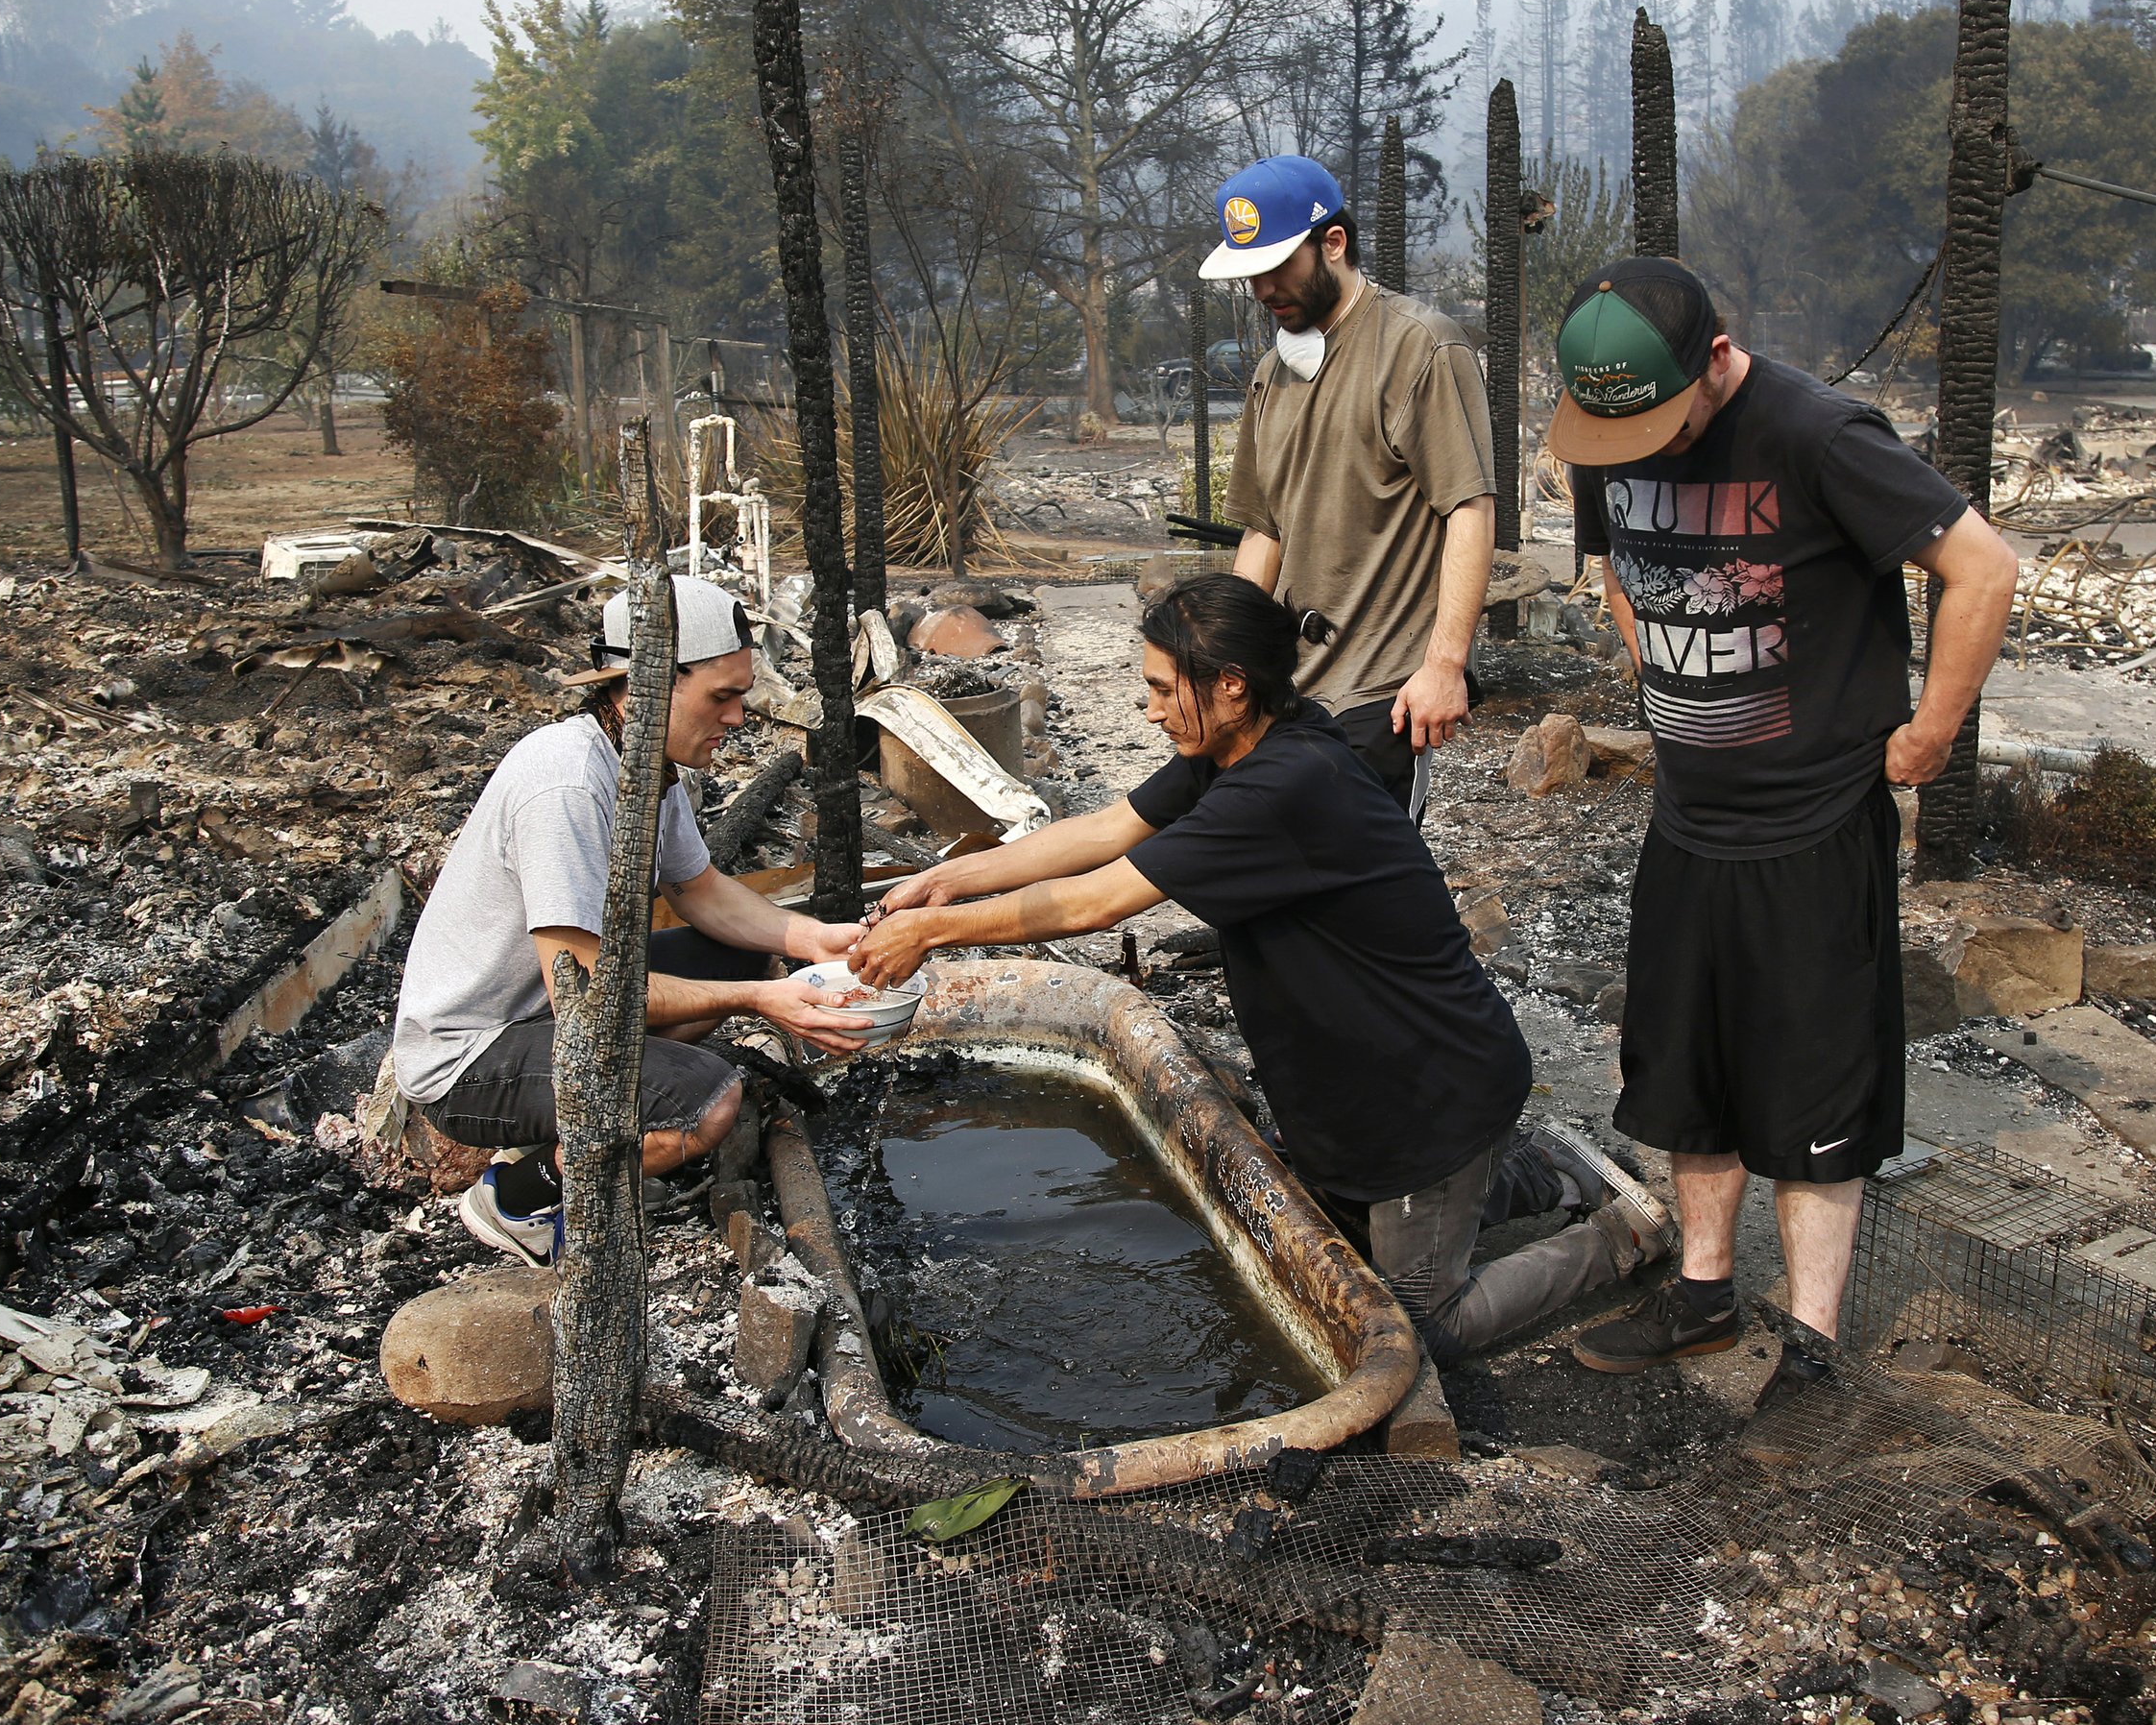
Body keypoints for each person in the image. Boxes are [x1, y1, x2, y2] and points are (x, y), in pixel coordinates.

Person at [847, 573, 1671, 1363]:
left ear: (1233, 684)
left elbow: (1090, 904)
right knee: (1334, 1235)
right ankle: (1546, 1168)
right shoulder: (1243, 745)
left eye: (1166, 688)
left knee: (1422, 1326)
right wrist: (946, 877)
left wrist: (932, 933)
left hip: (1426, 1094)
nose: (1151, 707)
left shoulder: (1283, 787)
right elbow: (1102, 830)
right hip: (1358, 1089)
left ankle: (1622, 1233)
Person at [1545, 258, 2019, 1399]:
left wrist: (1929, 735)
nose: (1643, 448)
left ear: (1717, 355)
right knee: (1684, 1072)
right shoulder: (1608, 434)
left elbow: (1984, 565)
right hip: (1688, 822)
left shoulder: (1819, 434)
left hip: (1813, 828)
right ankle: (1705, 1294)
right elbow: (1614, 566)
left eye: (1664, 419)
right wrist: (1655, 655)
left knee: (1813, 1094)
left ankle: (1810, 1343)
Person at [391, 576, 876, 1264]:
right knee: (708, 1103)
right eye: (722, 696)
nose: (738, 718)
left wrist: (813, 939)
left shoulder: (646, 762)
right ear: (647, 684)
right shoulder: (566, 784)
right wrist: (763, 1001)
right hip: (469, 1055)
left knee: (737, 955)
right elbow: (588, 996)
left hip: (545, 1019)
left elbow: (701, 890)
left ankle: (571, 1132)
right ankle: (519, 1195)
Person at [1198, 154, 1496, 818]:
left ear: (1334, 242)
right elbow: (1262, 530)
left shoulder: (1420, 348)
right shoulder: (1271, 374)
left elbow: (1469, 509)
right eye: (1252, 272)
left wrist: (1445, 665)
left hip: (1382, 697)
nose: (1263, 289)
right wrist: (1228, 666)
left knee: (1363, 894)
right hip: (1289, 692)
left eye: (1280, 265)